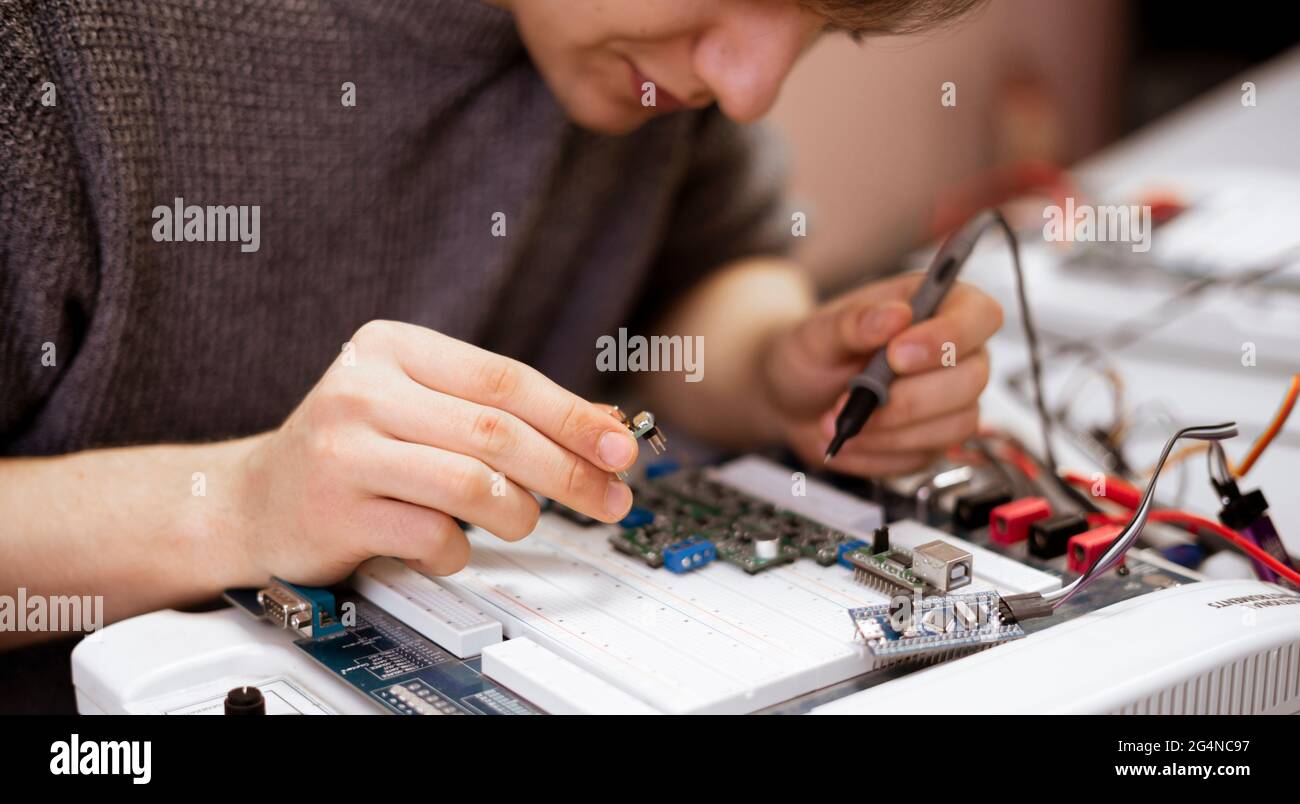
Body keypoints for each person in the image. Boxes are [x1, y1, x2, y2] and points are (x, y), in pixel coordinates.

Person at [0, 0, 999, 663]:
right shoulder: (59, 47)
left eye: (826, 27)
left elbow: (700, 272)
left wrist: (768, 368)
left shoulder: (651, 61)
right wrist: (240, 505)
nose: (748, 86)